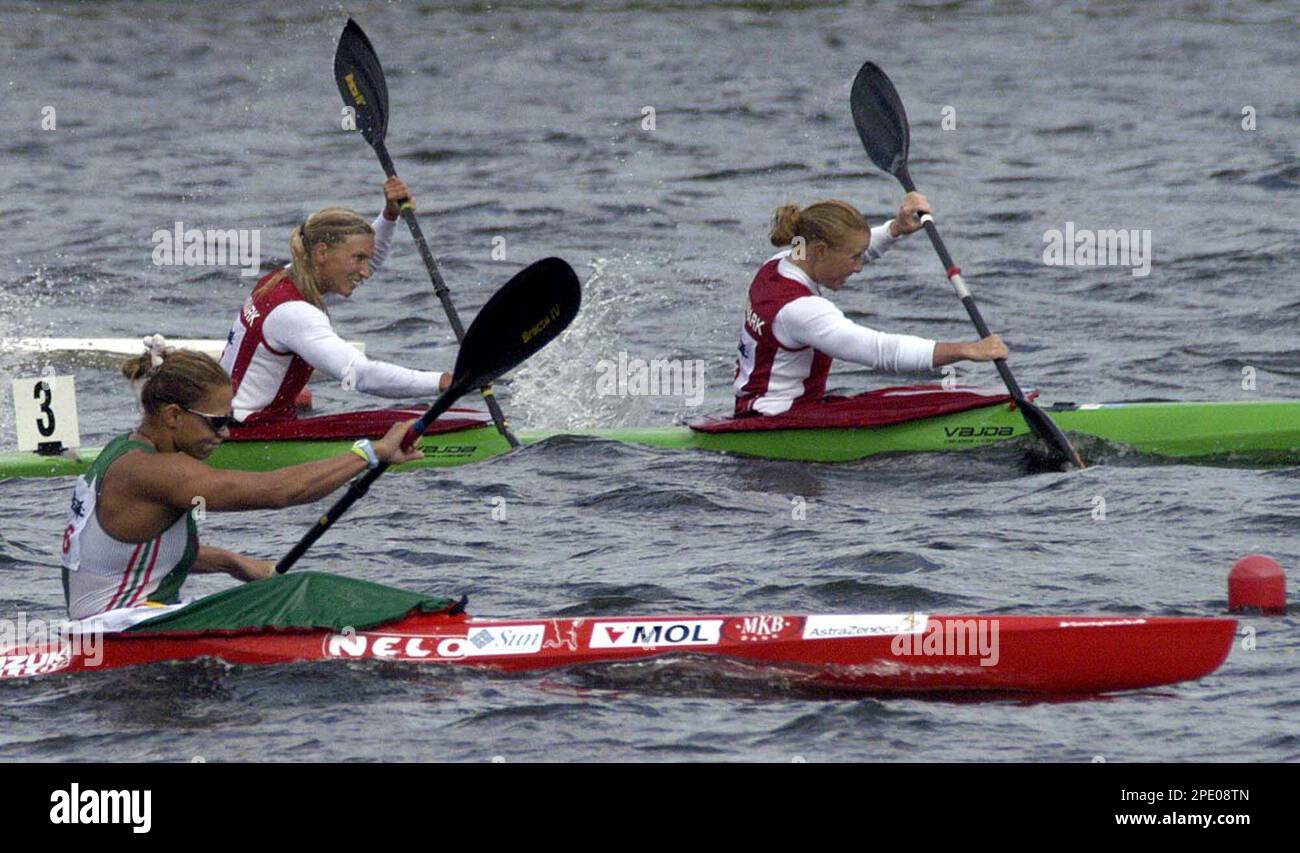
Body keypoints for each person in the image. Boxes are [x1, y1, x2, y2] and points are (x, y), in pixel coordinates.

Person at [59, 348, 422, 620]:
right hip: (120, 631)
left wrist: (231, 563)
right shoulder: (157, 471)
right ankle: (425, 620)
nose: (226, 433)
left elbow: (126, 559)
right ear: (172, 416)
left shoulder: (125, 450)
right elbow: (276, 492)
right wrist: (370, 453)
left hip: (120, 624)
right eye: (217, 423)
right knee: (302, 591)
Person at [733, 194, 1009, 415]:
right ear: (819, 252)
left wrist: (896, 228)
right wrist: (968, 349)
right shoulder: (801, 311)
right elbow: (882, 352)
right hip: (777, 419)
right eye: (855, 258)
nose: (859, 267)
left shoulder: (779, 264)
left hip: (760, 407)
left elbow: (844, 248)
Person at [219, 177, 452, 425]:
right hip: (246, 430)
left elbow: (368, 260)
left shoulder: (285, 276)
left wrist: (389, 216)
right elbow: (359, 375)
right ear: (321, 253)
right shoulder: (295, 314)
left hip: (230, 414)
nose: (366, 271)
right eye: (358, 258)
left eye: (366, 259)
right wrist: (443, 382)